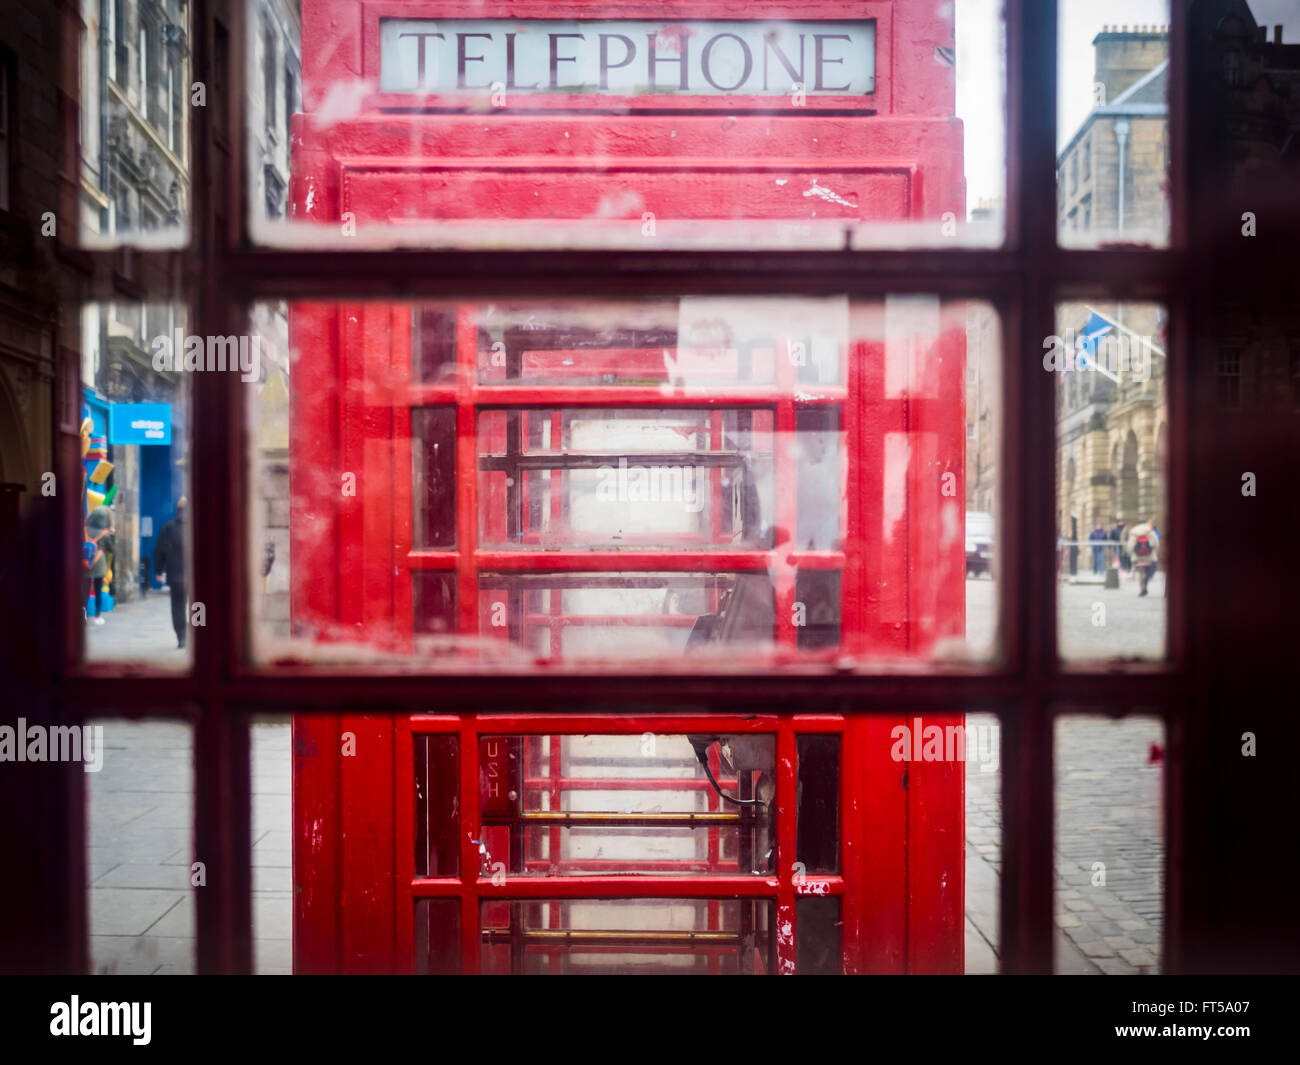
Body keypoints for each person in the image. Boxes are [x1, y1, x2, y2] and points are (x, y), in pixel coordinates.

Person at [154, 497, 188, 649]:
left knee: (177, 606)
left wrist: (159, 570)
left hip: (175, 576)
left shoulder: (167, 528)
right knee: (198, 605)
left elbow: (159, 550)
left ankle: (181, 637)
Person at [83, 504, 113, 625]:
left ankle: (82, 613)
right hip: (99, 564)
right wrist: (112, 535)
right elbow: (111, 549)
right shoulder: (105, 533)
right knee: (97, 589)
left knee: (84, 590)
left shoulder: (84, 529)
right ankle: (97, 615)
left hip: (84, 562)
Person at [1125, 515, 1160, 597]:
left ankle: (1142, 589)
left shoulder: (1134, 533)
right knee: (1147, 573)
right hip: (1149, 556)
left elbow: (1130, 546)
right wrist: (1155, 551)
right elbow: (1156, 543)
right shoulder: (1150, 532)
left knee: (1141, 573)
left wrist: (1130, 554)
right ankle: (1145, 587)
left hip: (1138, 557)